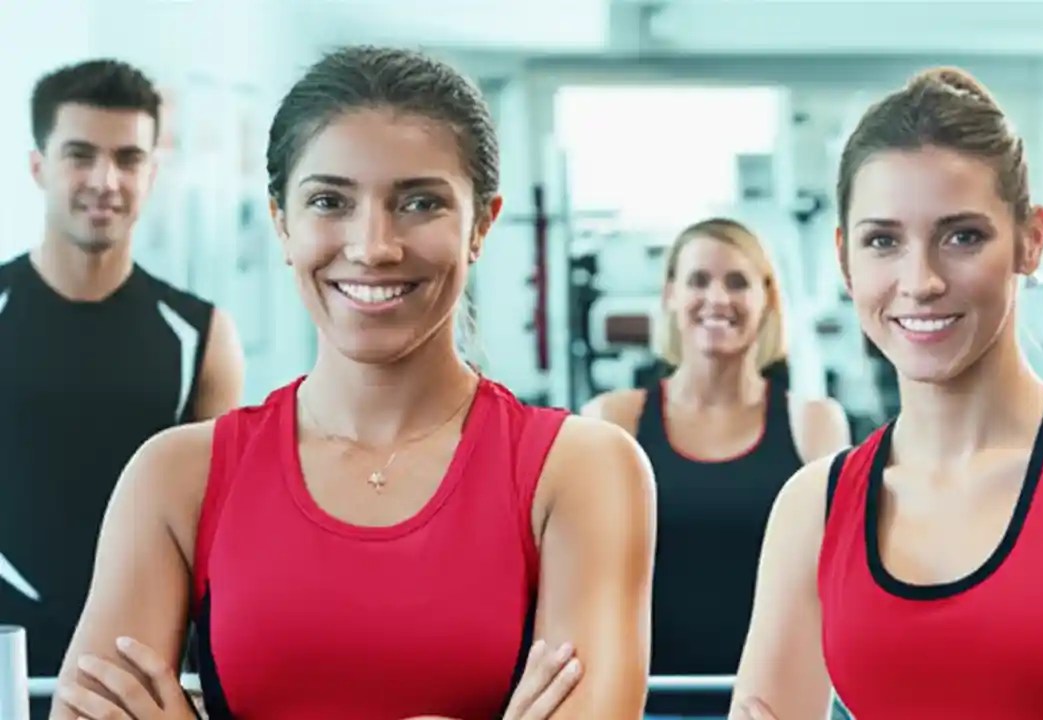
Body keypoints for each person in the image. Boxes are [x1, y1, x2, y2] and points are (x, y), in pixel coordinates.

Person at [50, 46, 656, 720]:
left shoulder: (581, 473)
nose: (373, 246)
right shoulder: (174, 478)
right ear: (283, 223)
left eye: (420, 202)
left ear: (481, 224)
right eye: (330, 201)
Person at [729, 67, 1043, 720]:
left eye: (962, 236)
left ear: (1032, 238)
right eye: (883, 241)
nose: (920, 280)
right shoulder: (813, 506)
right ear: (845, 258)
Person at [0, 58, 244, 718]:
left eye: (128, 158)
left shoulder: (201, 333)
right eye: (80, 154)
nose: (105, 181)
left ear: (151, 174)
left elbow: (219, 533)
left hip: (140, 674)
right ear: (38, 166)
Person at [582, 218, 850, 718]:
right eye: (699, 281)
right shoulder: (612, 418)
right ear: (669, 295)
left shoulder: (813, 424)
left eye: (737, 282)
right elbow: (585, 583)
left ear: (767, 297)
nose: (717, 298)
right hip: (640, 704)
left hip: (771, 705)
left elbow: (830, 589)